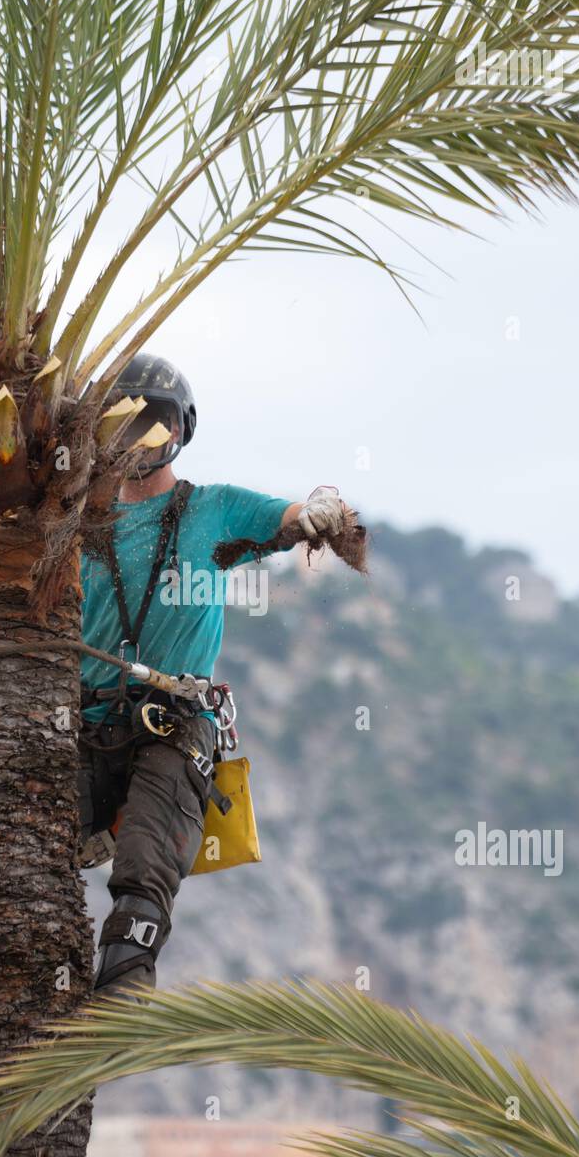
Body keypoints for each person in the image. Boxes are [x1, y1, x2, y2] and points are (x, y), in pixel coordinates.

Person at [81, 351, 348, 999]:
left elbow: (290, 519)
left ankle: (122, 993)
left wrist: (321, 510)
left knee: (145, 870)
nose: (142, 434)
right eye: (126, 421)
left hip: (174, 731)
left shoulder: (216, 511)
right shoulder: (78, 524)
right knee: (10, 840)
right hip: (84, 728)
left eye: (155, 421)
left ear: (180, 431)